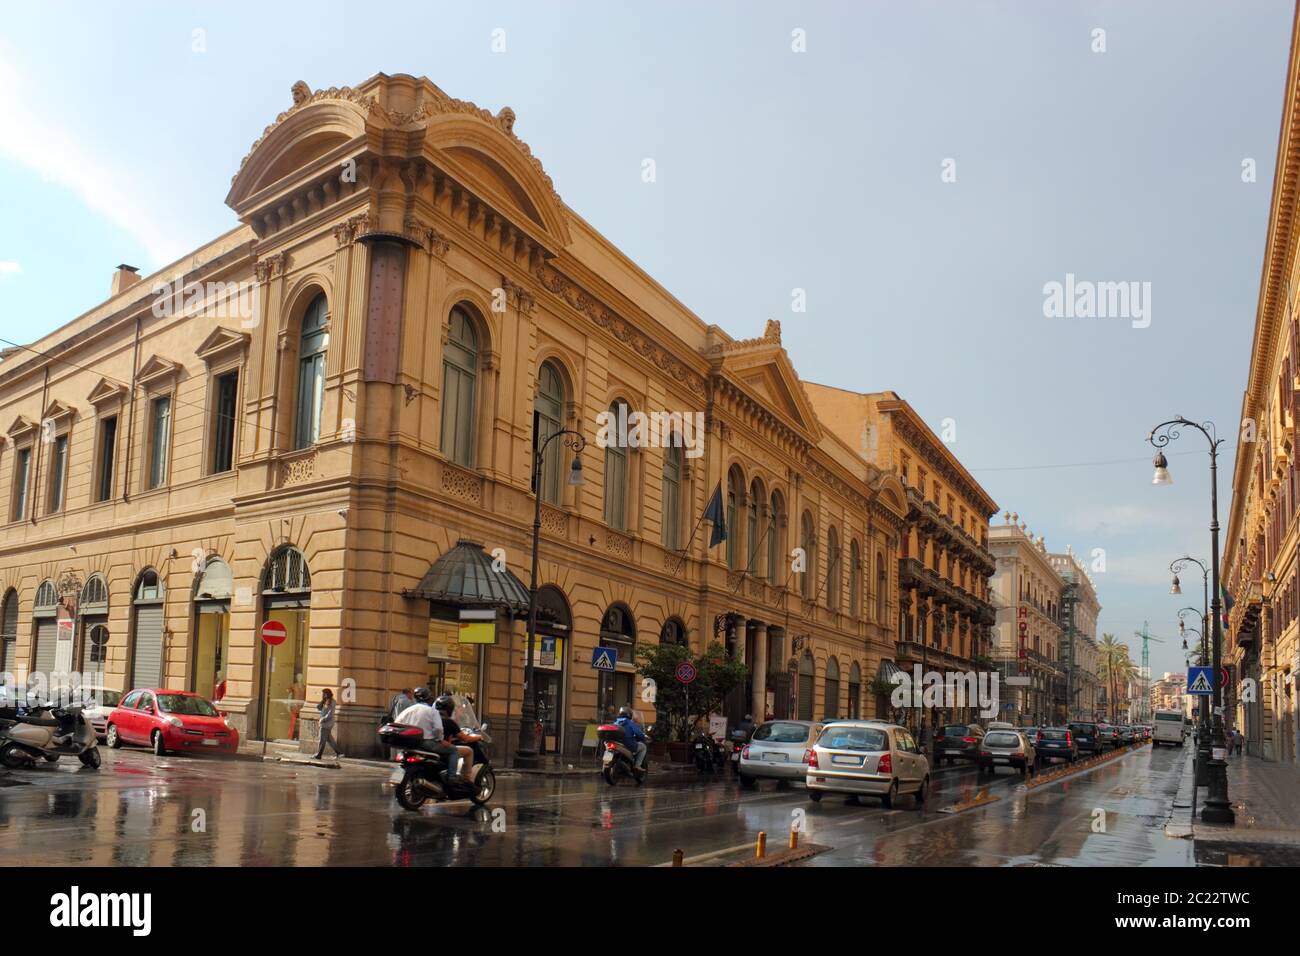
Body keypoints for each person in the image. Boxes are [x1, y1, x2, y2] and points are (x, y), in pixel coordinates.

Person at [395, 688, 459, 780]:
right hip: (426, 743)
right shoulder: (432, 711)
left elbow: (397, 723)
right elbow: (438, 728)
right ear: (429, 698)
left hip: (409, 744)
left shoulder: (408, 710)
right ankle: (452, 777)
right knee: (454, 750)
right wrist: (440, 740)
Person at [435, 695, 474, 783]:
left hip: (429, 744)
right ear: (450, 709)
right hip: (439, 746)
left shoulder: (432, 718)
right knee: (468, 750)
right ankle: (464, 778)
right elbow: (466, 738)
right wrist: (479, 737)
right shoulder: (449, 722)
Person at [615, 705, 647, 770]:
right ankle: (637, 765)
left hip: (618, 744)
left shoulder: (615, 722)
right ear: (629, 714)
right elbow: (638, 733)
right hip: (628, 745)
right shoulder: (630, 723)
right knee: (643, 747)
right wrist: (643, 738)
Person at [313, 688, 343, 760]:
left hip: (326, 723)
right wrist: (322, 701)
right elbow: (318, 708)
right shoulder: (325, 701)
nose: (323, 695)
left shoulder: (332, 701)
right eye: (322, 694)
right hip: (325, 723)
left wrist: (322, 720)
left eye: (324, 694)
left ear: (328, 694)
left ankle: (319, 755)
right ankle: (339, 753)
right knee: (329, 740)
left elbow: (330, 713)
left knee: (322, 739)